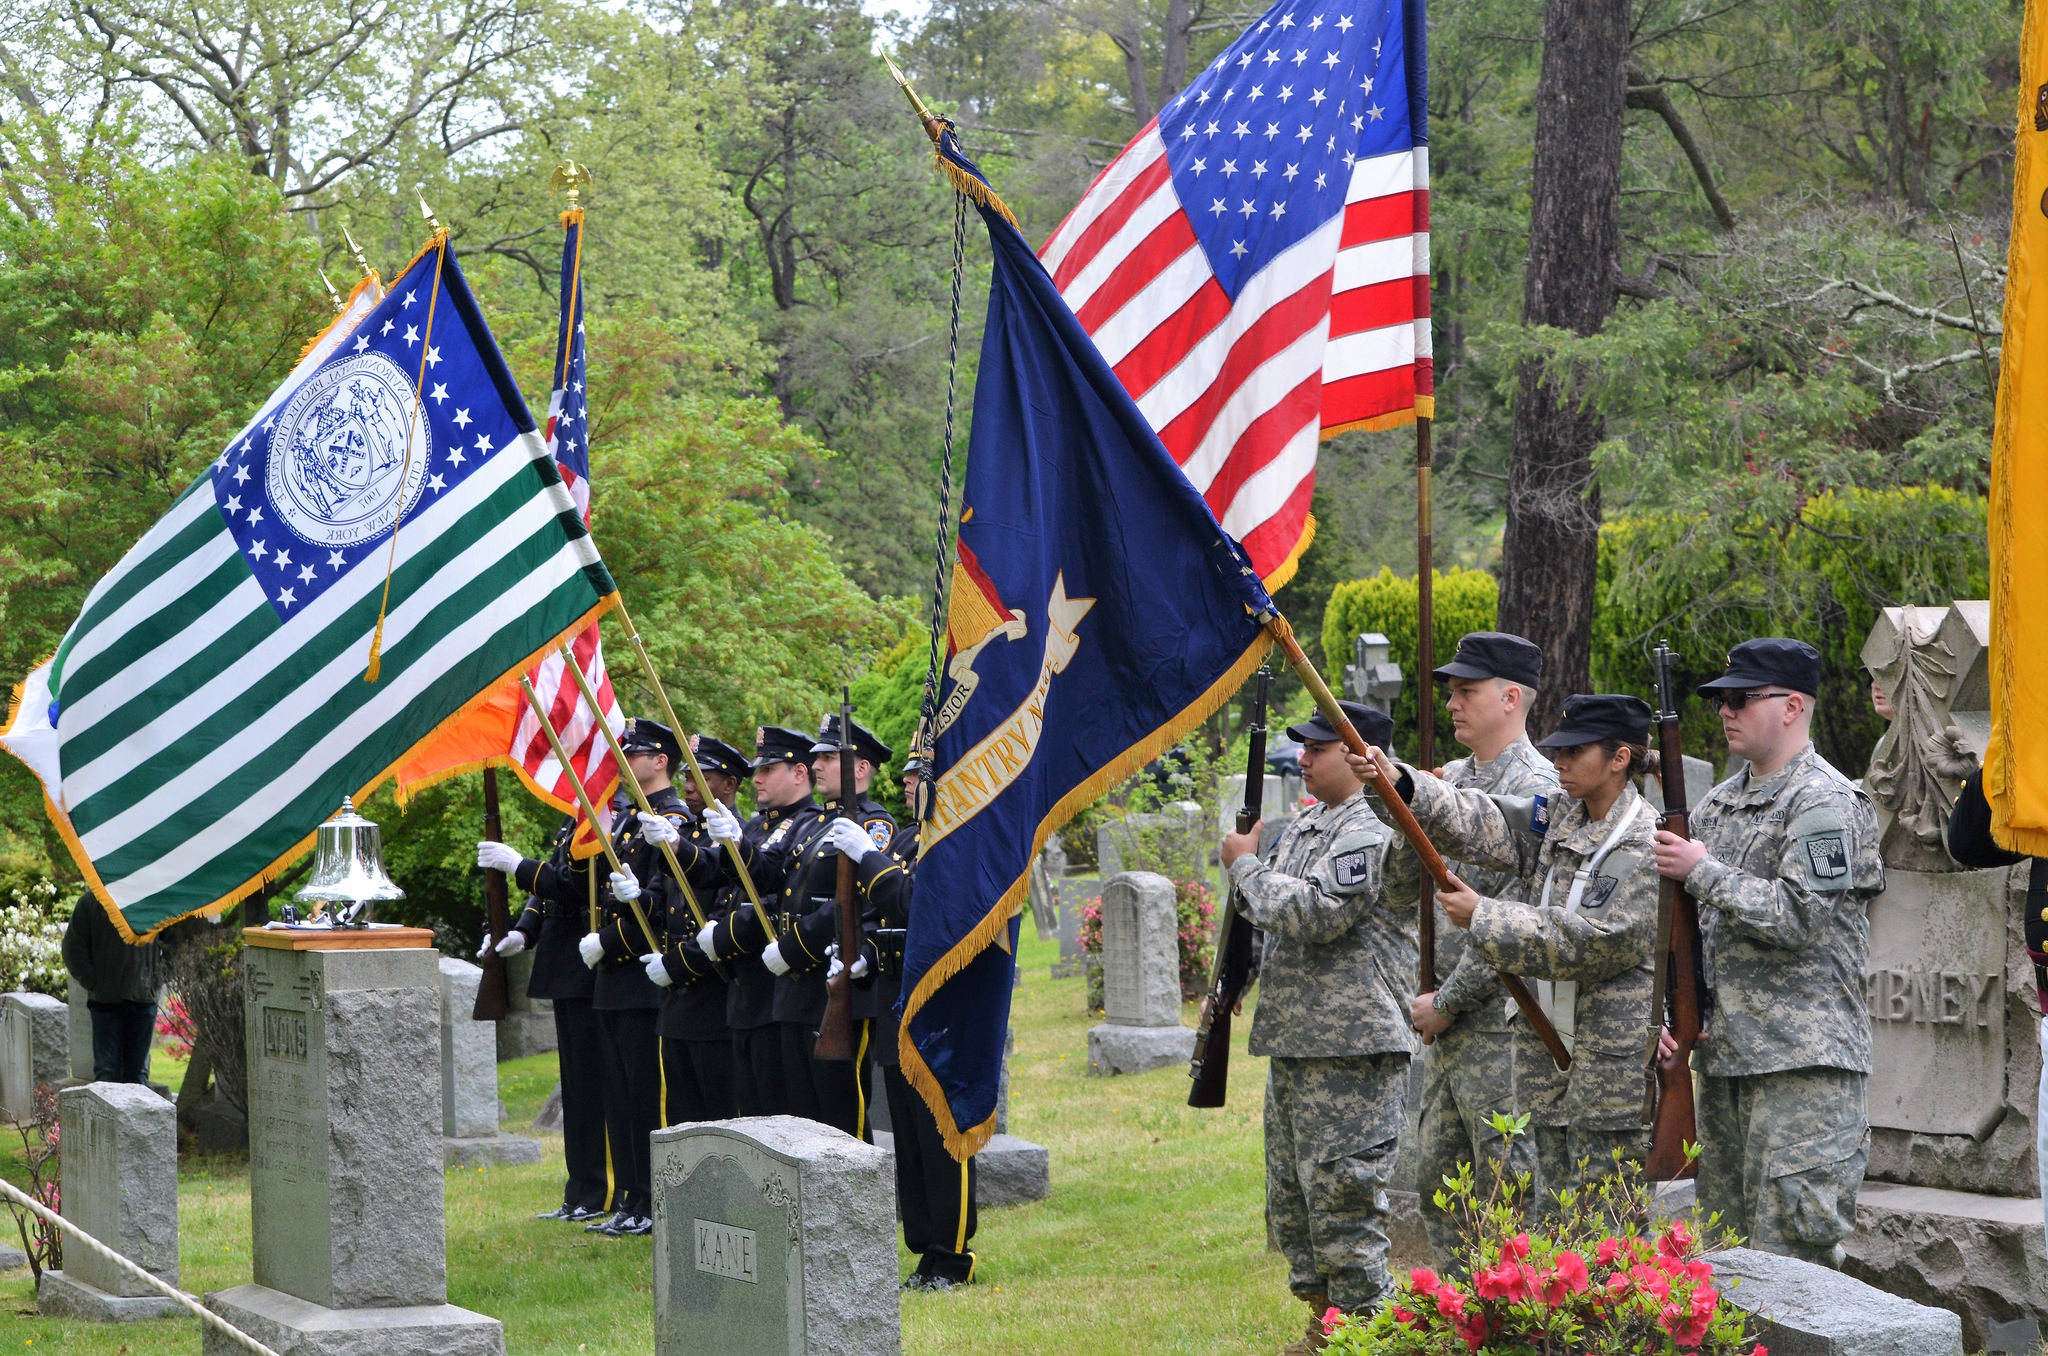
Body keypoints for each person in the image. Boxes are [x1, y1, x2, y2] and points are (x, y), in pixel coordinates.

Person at [1364, 693, 1660, 1209]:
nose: (1560, 763)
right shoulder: (1563, 816)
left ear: (1620, 759)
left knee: (1604, 1236)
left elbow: (1590, 943)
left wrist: (1483, 915)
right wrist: (1403, 784)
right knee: (1547, 1237)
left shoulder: (1642, 841)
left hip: (1607, 1078)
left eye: (1576, 751)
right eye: (1558, 750)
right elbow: (1483, 819)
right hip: (1546, 1068)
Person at [1651, 639, 1882, 1266]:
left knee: (1793, 1260)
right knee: (1724, 1264)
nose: (1724, 711)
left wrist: (1702, 871)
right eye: (1721, 700)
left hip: (1801, 1070)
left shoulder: (1824, 803)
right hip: (1726, 1062)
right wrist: (1674, 1015)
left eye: (1742, 698)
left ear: (1793, 707)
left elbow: (1799, 917)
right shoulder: (1718, 805)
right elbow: (1683, 931)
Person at [479, 717, 722, 1236]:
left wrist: (609, 940)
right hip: (609, 974)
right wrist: (525, 927)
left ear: (661, 760)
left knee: (641, 1097)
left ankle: (645, 1199)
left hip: (639, 973)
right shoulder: (626, 821)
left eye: (633, 753)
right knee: (616, 1094)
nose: (620, 761)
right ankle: (626, 1198)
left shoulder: (668, 820)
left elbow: (660, 903)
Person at [1220, 699, 1412, 1351]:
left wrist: (1244, 867)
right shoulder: (1308, 827)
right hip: (1299, 1045)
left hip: (1352, 1050)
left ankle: (1372, 1336)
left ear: (1361, 758)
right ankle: (1326, 1328)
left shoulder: (1370, 826)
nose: (1302, 757)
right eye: (1302, 747)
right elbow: (1272, 923)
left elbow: (1322, 913)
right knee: (1296, 1203)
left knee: (1346, 1202)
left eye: (1318, 748)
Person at [1381, 631, 1559, 1265]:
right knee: (1441, 1182)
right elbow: (1401, 886)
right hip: (1447, 1023)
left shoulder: (1541, 789)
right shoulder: (1448, 780)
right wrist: (1402, 810)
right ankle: (1461, 1319)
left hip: (1502, 1024)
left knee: (1509, 1187)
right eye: (1449, 692)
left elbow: (1517, 916)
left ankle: (1512, 1321)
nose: (1452, 703)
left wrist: (1449, 1001)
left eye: (1467, 691)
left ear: (1511, 697)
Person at [841, 734, 981, 1290]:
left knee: (941, 1131)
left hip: (941, 1008)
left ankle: (953, 1253)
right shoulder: (905, 838)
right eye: (906, 773)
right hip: (894, 1002)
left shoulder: (960, 839)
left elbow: (915, 902)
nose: (905, 782)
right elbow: (884, 920)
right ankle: (924, 1248)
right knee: (906, 1129)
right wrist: (862, 954)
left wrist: (868, 859)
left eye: (918, 773)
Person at [751, 713, 896, 1139]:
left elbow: (852, 906)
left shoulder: (874, 825)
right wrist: (733, 843)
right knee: (802, 1117)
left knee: (841, 1118)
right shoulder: (810, 824)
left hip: (834, 987)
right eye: (816, 757)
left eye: (829, 757)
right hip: (797, 990)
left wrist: (792, 949)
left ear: (860, 768)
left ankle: (857, 1207)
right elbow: (769, 879)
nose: (815, 766)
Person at [484, 815, 616, 1222]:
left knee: (598, 1088)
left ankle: (603, 1190)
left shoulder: (606, 815)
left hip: (592, 967)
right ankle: (579, 1191)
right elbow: (550, 888)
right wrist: (524, 931)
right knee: (577, 1092)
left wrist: (520, 867)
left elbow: (575, 888)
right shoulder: (573, 820)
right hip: (566, 966)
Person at [695, 725, 823, 1117]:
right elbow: (712, 875)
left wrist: (723, 938)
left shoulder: (808, 825)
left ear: (799, 773)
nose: (759, 778)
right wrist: (673, 844)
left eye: (769, 769)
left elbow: (770, 889)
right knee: (747, 1117)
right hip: (742, 995)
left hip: (773, 994)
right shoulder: (755, 826)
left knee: (778, 1113)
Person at [647, 733, 749, 1125]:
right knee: (681, 1119)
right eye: (687, 776)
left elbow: (726, 915)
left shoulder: (738, 839)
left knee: (720, 1118)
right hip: (676, 999)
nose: (689, 786)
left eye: (701, 777)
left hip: (712, 994)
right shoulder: (687, 834)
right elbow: (661, 899)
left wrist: (676, 965)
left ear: (729, 785)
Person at [61, 893, 160, 1084]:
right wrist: (94, 983)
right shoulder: (92, 901)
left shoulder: (153, 899)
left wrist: (157, 979)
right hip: (106, 1002)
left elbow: (176, 943)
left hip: (143, 998)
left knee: (138, 1075)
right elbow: (73, 948)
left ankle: (137, 1115)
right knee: (107, 1074)